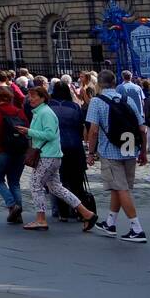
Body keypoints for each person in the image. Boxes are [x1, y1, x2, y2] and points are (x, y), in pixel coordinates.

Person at [22, 83, 99, 232]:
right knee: (57, 187)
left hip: (48, 154)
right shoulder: (50, 110)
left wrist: (29, 132)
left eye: (33, 96)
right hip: (62, 150)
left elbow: (50, 134)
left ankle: (41, 219)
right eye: (29, 96)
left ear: (43, 98)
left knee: (35, 185)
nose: (30, 99)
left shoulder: (45, 112)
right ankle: (86, 213)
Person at [87, 70, 148, 243]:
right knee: (119, 187)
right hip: (129, 149)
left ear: (99, 83)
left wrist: (91, 153)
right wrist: (143, 151)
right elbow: (142, 128)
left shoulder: (97, 102)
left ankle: (136, 228)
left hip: (110, 150)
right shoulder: (127, 100)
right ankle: (110, 222)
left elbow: (93, 131)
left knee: (121, 189)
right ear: (115, 82)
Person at [48, 79, 95, 220]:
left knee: (59, 181)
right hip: (75, 145)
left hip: (56, 146)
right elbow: (82, 126)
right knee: (77, 181)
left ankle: (63, 212)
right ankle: (81, 212)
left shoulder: (48, 107)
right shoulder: (75, 107)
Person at [0, 87, 28, 224]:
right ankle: (18, 213)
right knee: (15, 182)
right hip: (19, 152)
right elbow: (27, 129)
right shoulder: (19, 112)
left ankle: (12, 205)